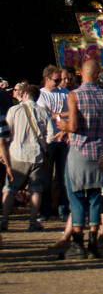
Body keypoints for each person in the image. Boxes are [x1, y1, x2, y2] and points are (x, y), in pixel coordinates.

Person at [61, 57, 103, 258]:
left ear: (82, 74)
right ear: (98, 75)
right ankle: (93, 242)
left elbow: (73, 126)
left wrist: (62, 125)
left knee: (76, 198)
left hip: (79, 152)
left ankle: (77, 243)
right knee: (95, 198)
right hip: (100, 152)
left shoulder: (74, 95)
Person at [1, 84, 51, 232]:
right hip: (37, 155)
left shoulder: (14, 110)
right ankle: (33, 221)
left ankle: (4, 220)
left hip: (17, 154)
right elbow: (51, 135)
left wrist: (3, 154)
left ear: (23, 95)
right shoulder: (44, 112)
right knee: (36, 190)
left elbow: (6, 133)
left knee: (10, 188)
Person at [37, 65, 69, 220]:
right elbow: (44, 114)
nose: (59, 83)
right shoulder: (41, 95)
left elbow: (72, 111)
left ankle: (63, 209)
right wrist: (60, 116)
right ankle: (45, 210)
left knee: (63, 177)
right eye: (56, 80)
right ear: (47, 79)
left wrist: (58, 115)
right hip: (48, 140)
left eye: (60, 80)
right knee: (46, 178)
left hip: (63, 139)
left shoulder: (66, 93)